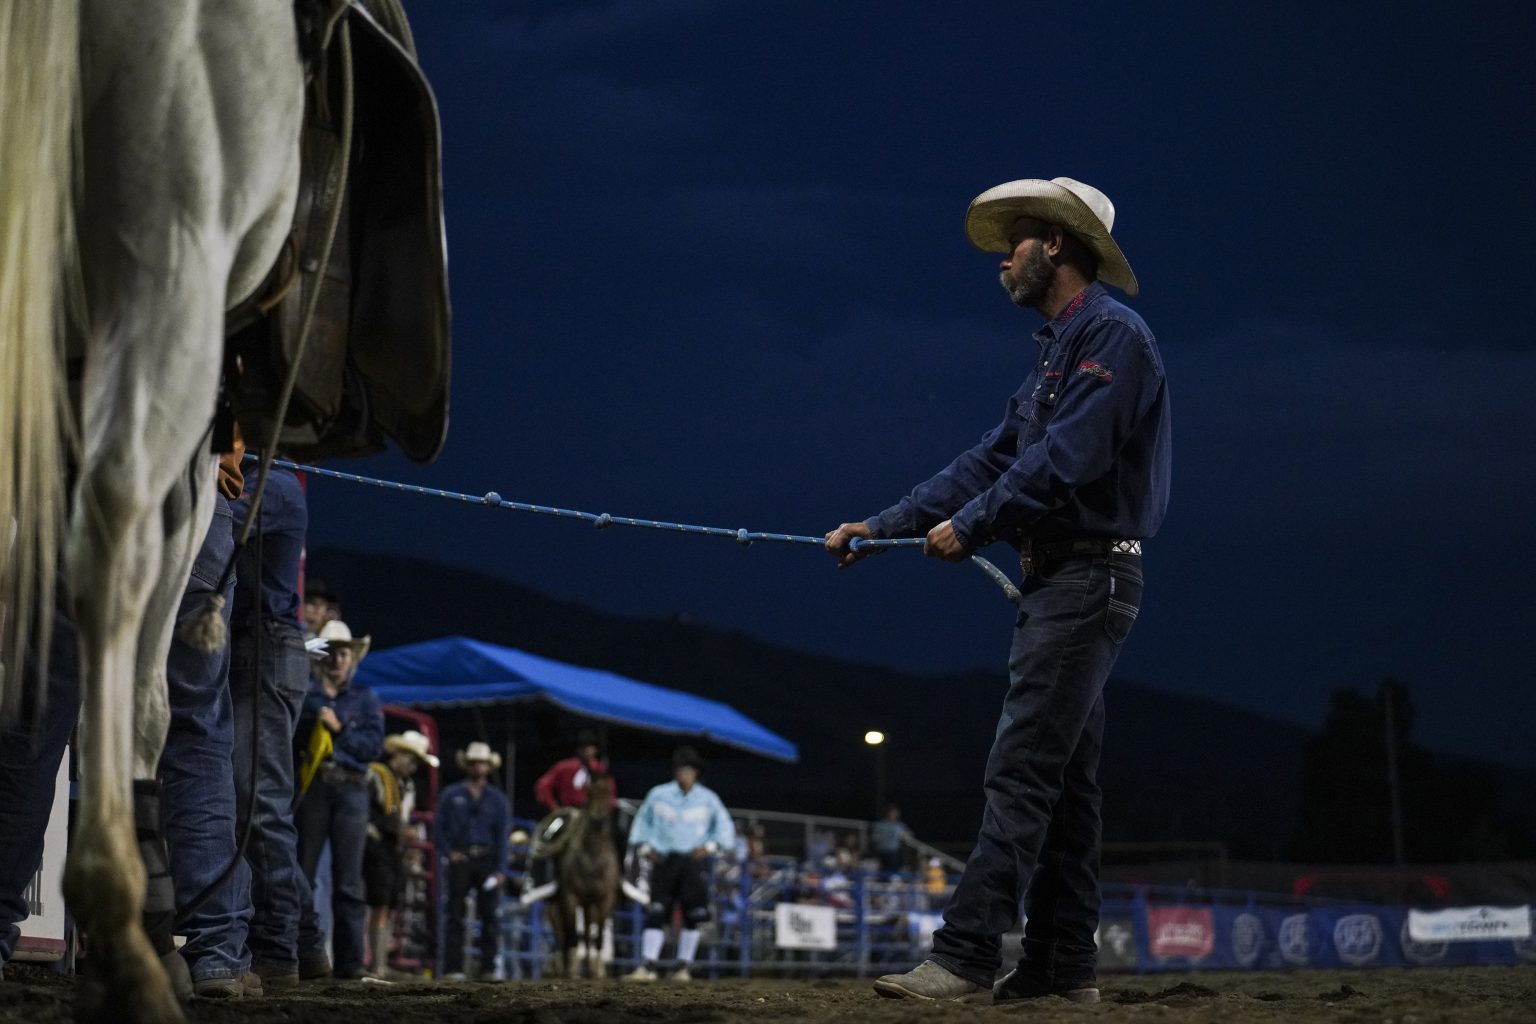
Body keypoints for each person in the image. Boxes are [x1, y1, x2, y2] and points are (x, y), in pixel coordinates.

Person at [826, 177, 1170, 1005]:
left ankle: (966, 954)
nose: (1002, 260)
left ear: (1054, 243)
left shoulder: (1111, 340)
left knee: (1020, 769)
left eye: (1013, 242)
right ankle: (1060, 968)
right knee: (1066, 785)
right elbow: (990, 457)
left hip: (1084, 581)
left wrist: (972, 526)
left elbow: (1064, 461)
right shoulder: (1065, 347)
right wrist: (885, 524)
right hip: (1070, 581)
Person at [228, 458, 330, 988]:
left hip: (262, 645)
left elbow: (217, 523)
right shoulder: (281, 483)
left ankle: (275, 947)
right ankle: (306, 941)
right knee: (261, 801)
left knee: (258, 802)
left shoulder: (273, 484)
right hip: (264, 647)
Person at [294, 619, 383, 980]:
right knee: (304, 872)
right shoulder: (307, 695)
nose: (336, 659)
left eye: (342, 653)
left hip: (351, 786)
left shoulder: (365, 698)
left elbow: (372, 748)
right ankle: (302, 953)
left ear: (352, 658)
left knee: (347, 879)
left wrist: (339, 728)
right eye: (331, 652)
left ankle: (349, 963)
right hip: (316, 785)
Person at [623, 746, 735, 983]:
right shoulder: (659, 794)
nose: (684, 774)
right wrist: (643, 846)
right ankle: (648, 964)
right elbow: (643, 821)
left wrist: (711, 846)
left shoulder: (708, 799)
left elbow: (725, 827)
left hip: (693, 862)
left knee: (693, 914)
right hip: (664, 860)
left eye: (689, 770)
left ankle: (683, 966)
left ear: (696, 773)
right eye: (680, 769)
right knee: (656, 911)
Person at [434, 742, 512, 981]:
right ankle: (453, 967)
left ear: (488, 767)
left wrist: (500, 868)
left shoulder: (498, 800)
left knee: (489, 915)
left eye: (482, 763)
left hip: (486, 858)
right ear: (468, 765)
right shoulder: (451, 795)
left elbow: (502, 835)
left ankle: (488, 967)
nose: (479, 767)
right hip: (462, 856)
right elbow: (439, 828)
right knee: (455, 913)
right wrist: (449, 852)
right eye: (475, 762)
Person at [364, 730, 438, 976]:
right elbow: (370, 814)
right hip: (376, 845)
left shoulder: (406, 785)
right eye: (410, 759)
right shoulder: (377, 775)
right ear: (398, 754)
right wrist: (400, 830)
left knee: (389, 905)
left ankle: (380, 961)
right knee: (379, 904)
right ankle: (375, 962)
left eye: (415, 761)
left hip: (393, 848)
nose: (412, 766)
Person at [871, 804, 912, 874]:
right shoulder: (880, 824)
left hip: (894, 852)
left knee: (894, 868)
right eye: (892, 812)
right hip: (882, 851)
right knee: (882, 870)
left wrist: (906, 836)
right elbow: (874, 837)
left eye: (895, 812)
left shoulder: (900, 825)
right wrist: (883, 836)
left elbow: (908, 836)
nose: (894, 814)